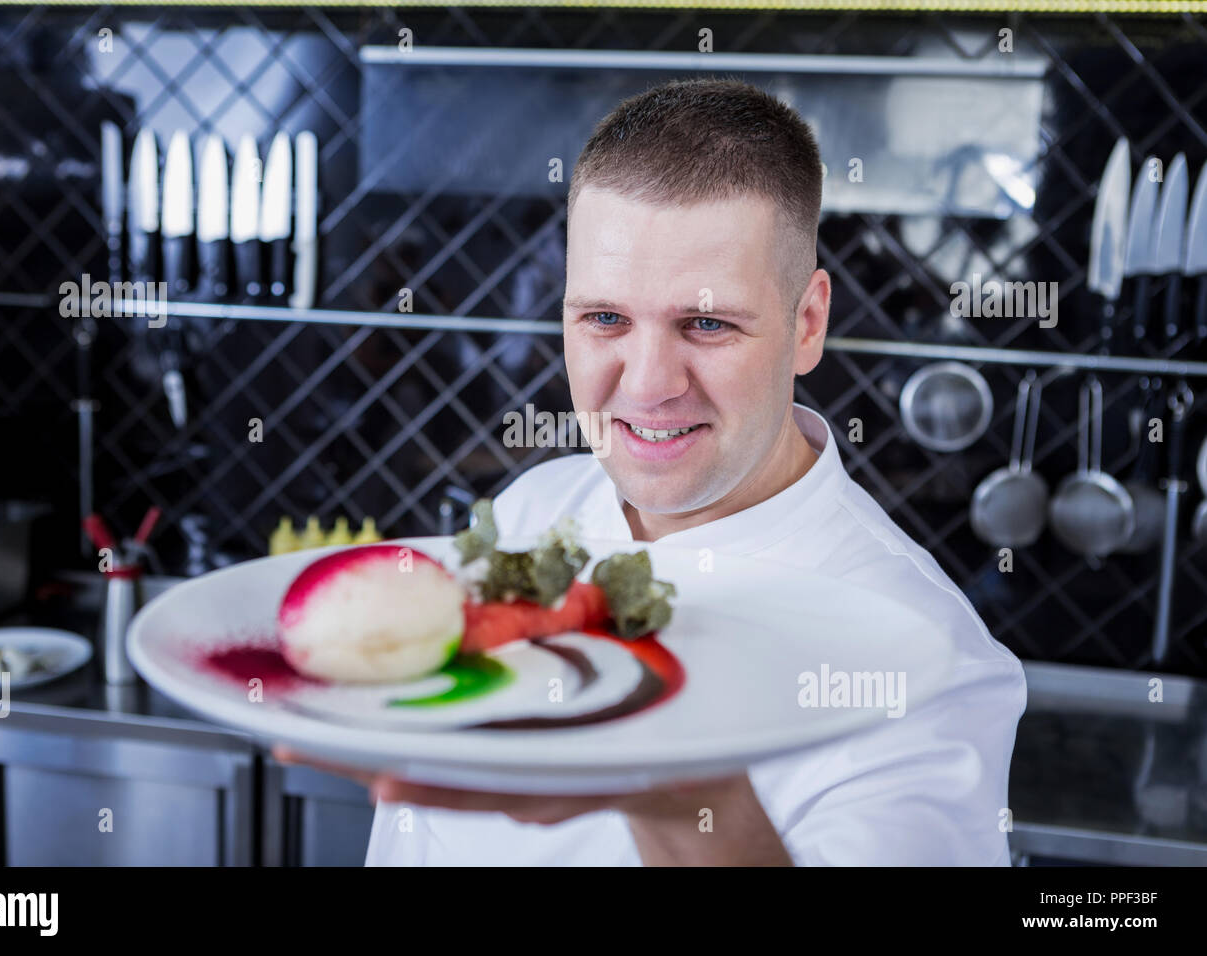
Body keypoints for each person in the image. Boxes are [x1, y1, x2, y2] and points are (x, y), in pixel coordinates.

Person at [275, 77, 1027, 866]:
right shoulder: (534, 513)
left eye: (706, 323)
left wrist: (687, 804)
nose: (646, 383)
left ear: (806, 324)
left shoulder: (926, 666)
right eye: (605, 318)